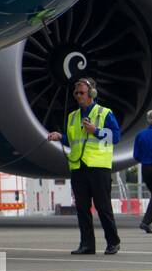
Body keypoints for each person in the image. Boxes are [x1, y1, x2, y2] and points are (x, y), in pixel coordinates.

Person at [47, 77, 122, 254]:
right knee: (82, 208)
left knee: (103, 206)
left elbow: (116, 137)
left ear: (91, 94)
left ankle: (113, 241)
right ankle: (87, 244)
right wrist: (60, 137)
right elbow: (73, 139)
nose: (78, 96)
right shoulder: (73, 116)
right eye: (76, 93)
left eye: (81, 93)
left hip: (98, 166)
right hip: (78, 166)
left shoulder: (104, 113)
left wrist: (95, 131)